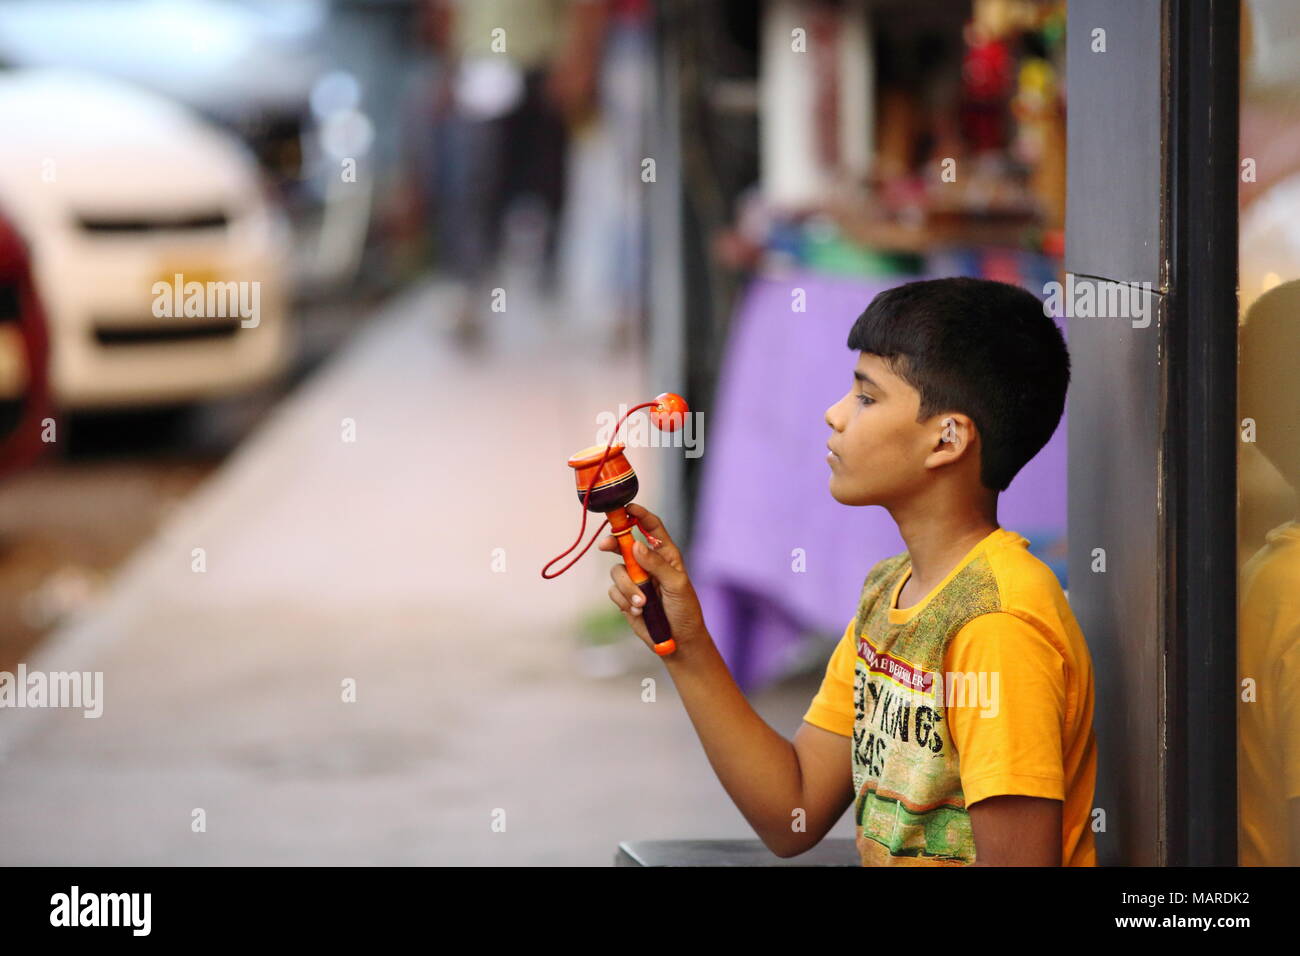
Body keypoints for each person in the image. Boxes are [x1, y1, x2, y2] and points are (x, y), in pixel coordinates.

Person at [599, 277, 1097, 866]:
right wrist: (684, 642)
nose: (835, 415)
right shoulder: (890, 589)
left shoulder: (997, 626)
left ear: (947, 439)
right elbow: (795, 811)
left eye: (866, 396)